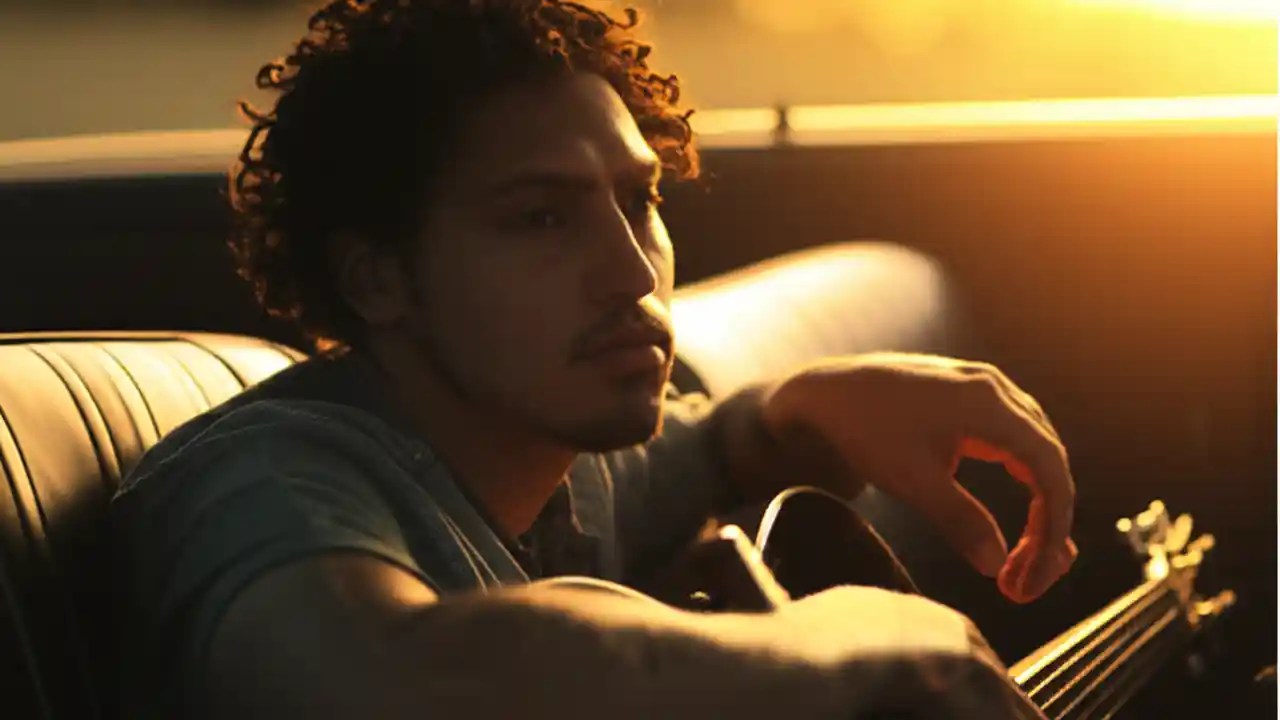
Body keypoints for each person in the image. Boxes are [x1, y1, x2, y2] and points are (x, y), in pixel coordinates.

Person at [110, 1, 1077, 717]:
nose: (630, 271)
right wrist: (850, 648)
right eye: (539, 217)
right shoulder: (272, 477)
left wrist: (805, 405)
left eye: (639, 200)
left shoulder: (553, 465)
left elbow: (705, 453)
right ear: (376, 279)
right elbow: (370, 673)